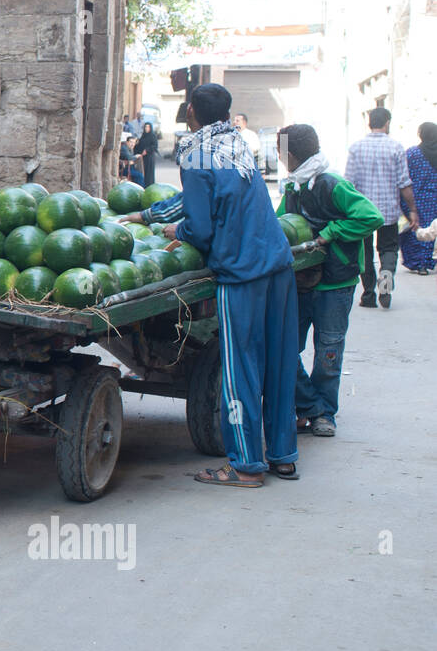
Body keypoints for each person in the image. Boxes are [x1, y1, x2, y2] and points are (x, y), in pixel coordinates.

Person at [119, 83, 298, 487]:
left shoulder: (193, 155)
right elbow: (204, 196)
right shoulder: (234, 142)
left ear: (190, 111)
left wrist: (170, 229)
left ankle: (246, 466)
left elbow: (198, 227)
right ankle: (283, 456)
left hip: (242, 271)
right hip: (277, 262)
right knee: (279, 361)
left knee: (241, 369)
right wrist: (146, 215)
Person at [275, 123, 383, 438]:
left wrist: (331, 233)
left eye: (282, 153)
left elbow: (370, 216)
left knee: (328, 353)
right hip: (301, 281)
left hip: (335, 284)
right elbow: (280, 221)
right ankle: (311, 407)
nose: (280, 159)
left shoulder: (332, 184)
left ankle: (325, 415)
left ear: (290, 154)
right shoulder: (294, 187)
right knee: (284, 347)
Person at [344, 107, 421, 308]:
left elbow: (348, 183)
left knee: (365, 252)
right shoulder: (395, 147)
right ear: (387, 123)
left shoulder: (356, 148)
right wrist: (412, 210)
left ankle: (368, 295)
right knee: (388, 249)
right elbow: (404, 183)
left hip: (362, 212)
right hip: (388, 210)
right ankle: (385, 282)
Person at [398, 122, 437, 274]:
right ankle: (426, 262)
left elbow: (403, 177)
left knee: (415, 228)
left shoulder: (412, 153)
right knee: (431, 229)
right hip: (434, 199)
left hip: (414, 199)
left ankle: (416, 262)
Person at [132, 121, 158, 187]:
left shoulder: (153, 136)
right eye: (145, 127)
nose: (146, 128)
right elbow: (139, 146)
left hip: (149, 157)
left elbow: (155, 146)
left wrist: (147, 150)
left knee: (149, 173)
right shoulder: (143, 136)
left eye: (148, 127)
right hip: (143, 158)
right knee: (143, 172)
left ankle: (149, 186)